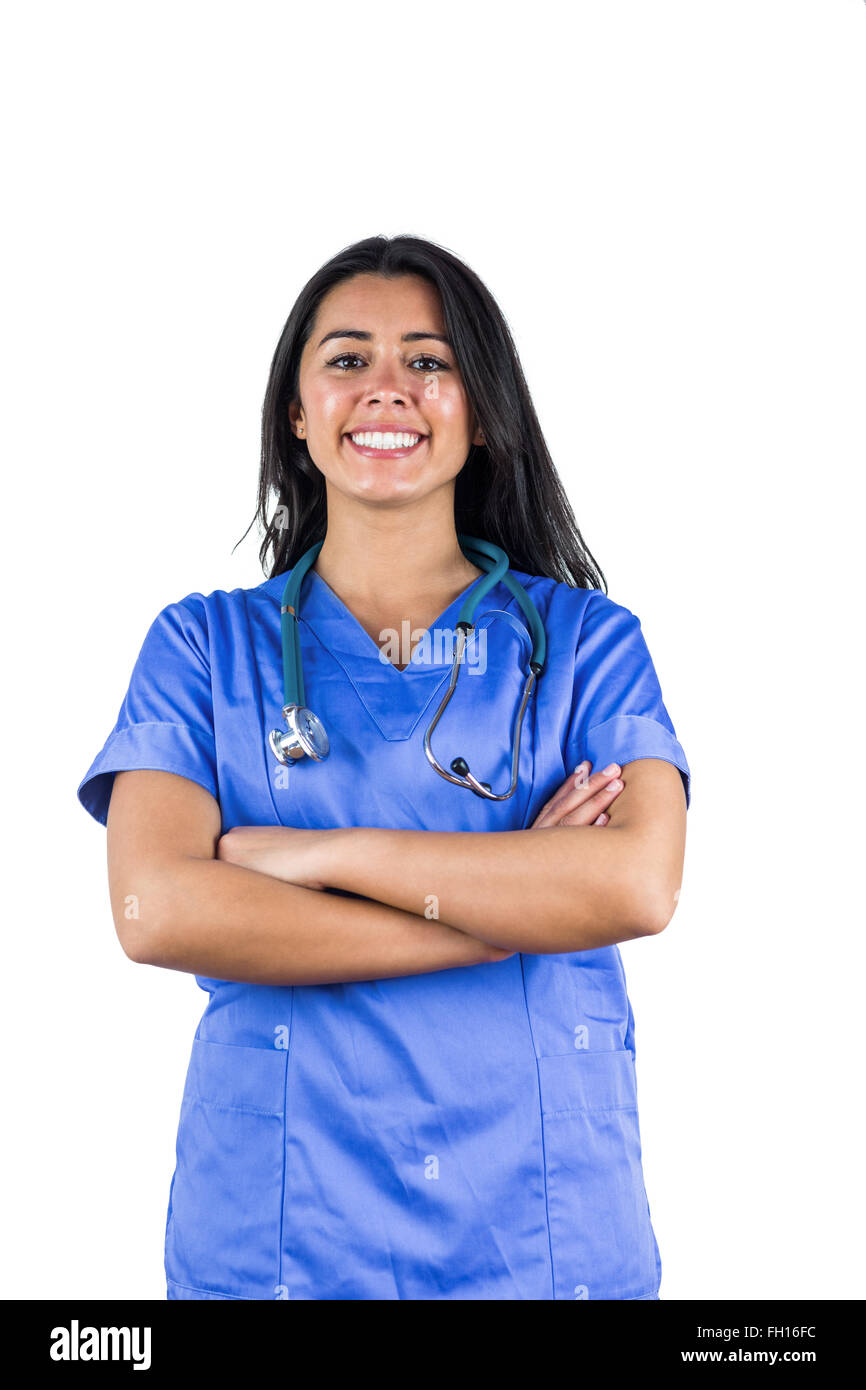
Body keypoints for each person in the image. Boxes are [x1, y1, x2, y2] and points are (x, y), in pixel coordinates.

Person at [77, 234, 690, 1301]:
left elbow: (636, 884)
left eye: (429, 361)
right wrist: (511, 907)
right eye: (348, 359)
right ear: (297, 413)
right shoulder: (199, 649)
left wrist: (324, 854)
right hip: (277, 1241)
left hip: (541, 1241)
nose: (387, 390)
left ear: (482, 410)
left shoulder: (588, 644)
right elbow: (157, 908)